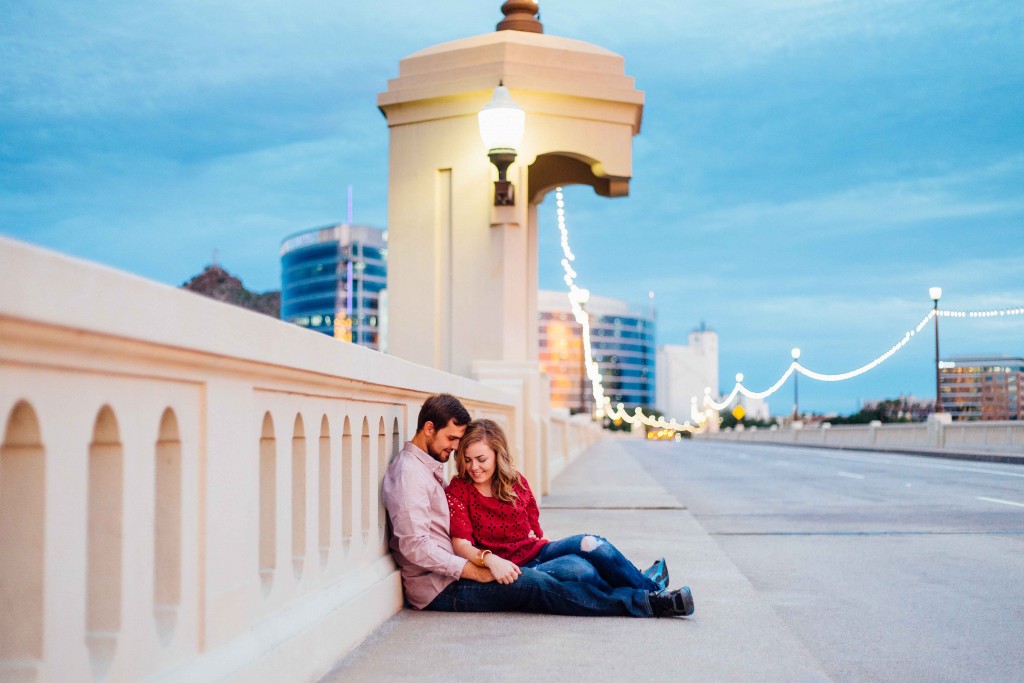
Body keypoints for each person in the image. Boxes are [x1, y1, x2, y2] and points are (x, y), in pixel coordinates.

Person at [381, 393, 694, 618]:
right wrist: (478, 569)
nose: (454, 449)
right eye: (452, 440)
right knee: (542, 583)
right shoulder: (410, 473)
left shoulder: (429, 467)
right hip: (441, 589)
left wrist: (481, 565)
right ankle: (648, 602)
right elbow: (415, 548)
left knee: (585, 553)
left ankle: (648, 590)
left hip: (460, 573)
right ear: (429, 429)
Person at [446, 418, 679, 597]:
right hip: (515, 568)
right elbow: (460, 544)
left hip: (537, 552)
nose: (474, 467)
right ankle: (648, 588)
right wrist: (490, 560)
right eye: (467, 460)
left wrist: (557, 550)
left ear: (498, 454)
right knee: (581, 571)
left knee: (592, 544)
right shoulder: (459, 490)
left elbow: (536, 532)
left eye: (481, 459)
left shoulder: (514, 482)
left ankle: (650, 589)